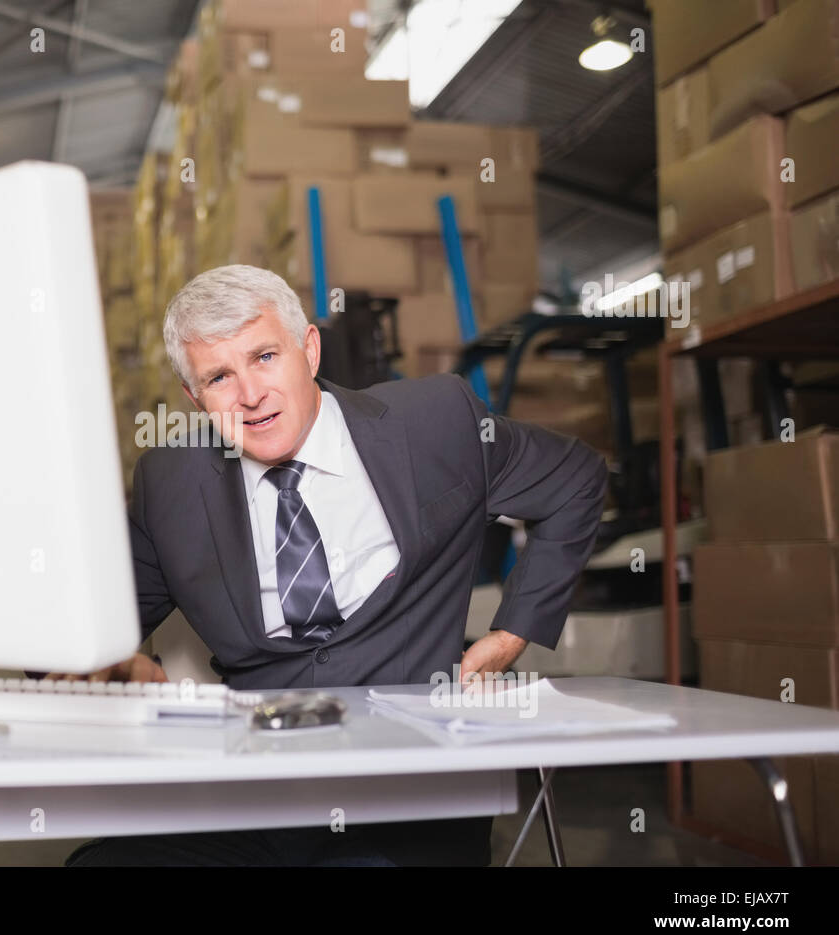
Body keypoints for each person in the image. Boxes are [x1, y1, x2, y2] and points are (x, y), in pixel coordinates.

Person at [61, 265, 608, 866]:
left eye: (265, 356)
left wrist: (509, 636)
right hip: (258, 798)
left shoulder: (433, 423)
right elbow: (92, 629)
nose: (249, 394)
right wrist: (107, 663)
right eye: (220, 376)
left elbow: (575, 481)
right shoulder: (171, 483)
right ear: (195, 398)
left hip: (406, 797)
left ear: (309, 350)